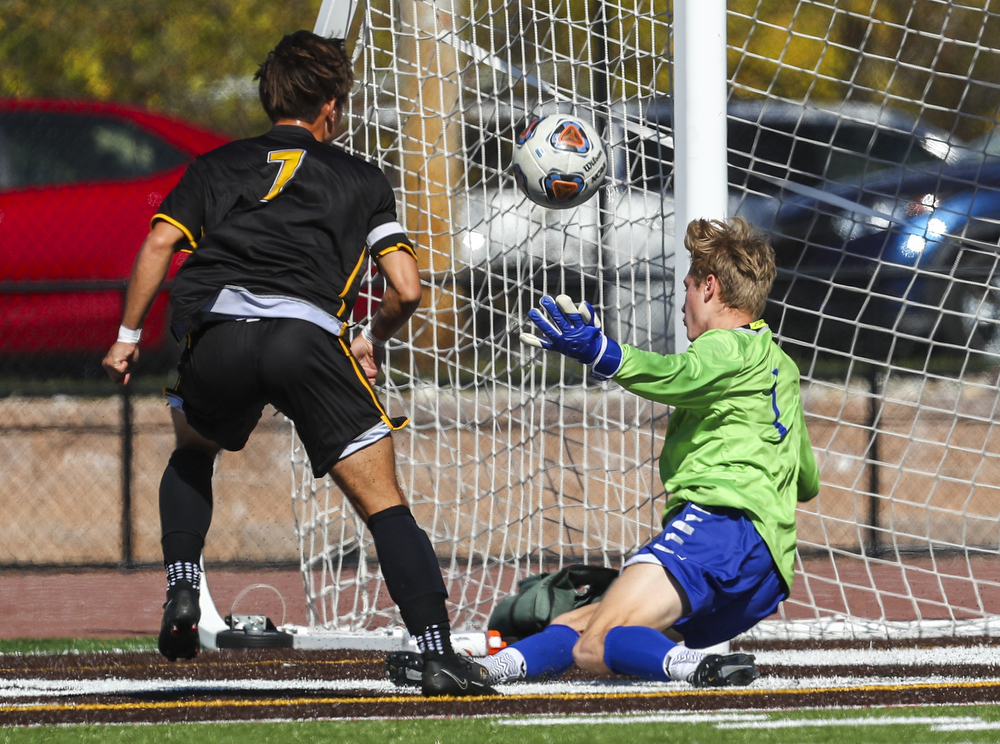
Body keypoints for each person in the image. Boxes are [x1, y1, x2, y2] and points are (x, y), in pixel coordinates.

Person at [102, 30, 495, 697]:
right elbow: (407, 288)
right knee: (383, 506)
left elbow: (161, 241)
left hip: (217, 333)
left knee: (194, 453)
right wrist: (373, 337)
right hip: (305, 339)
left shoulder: (215, 164)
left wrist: (125, 335)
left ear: (269, 97)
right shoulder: (361, 177)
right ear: (333, 106)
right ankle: (434, 649)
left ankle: (183, 588)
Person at [387, 216, 819, 689]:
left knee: (596, 647)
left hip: (718, 529)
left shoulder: (725, 346)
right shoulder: (780, 364)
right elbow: (807, 481)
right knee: (586, 626)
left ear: (710, 287)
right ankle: (480, 670)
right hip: (768, 568)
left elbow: (675, 376)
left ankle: (702, 669)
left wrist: (601, 351)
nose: (682, 303)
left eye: (688, 287)